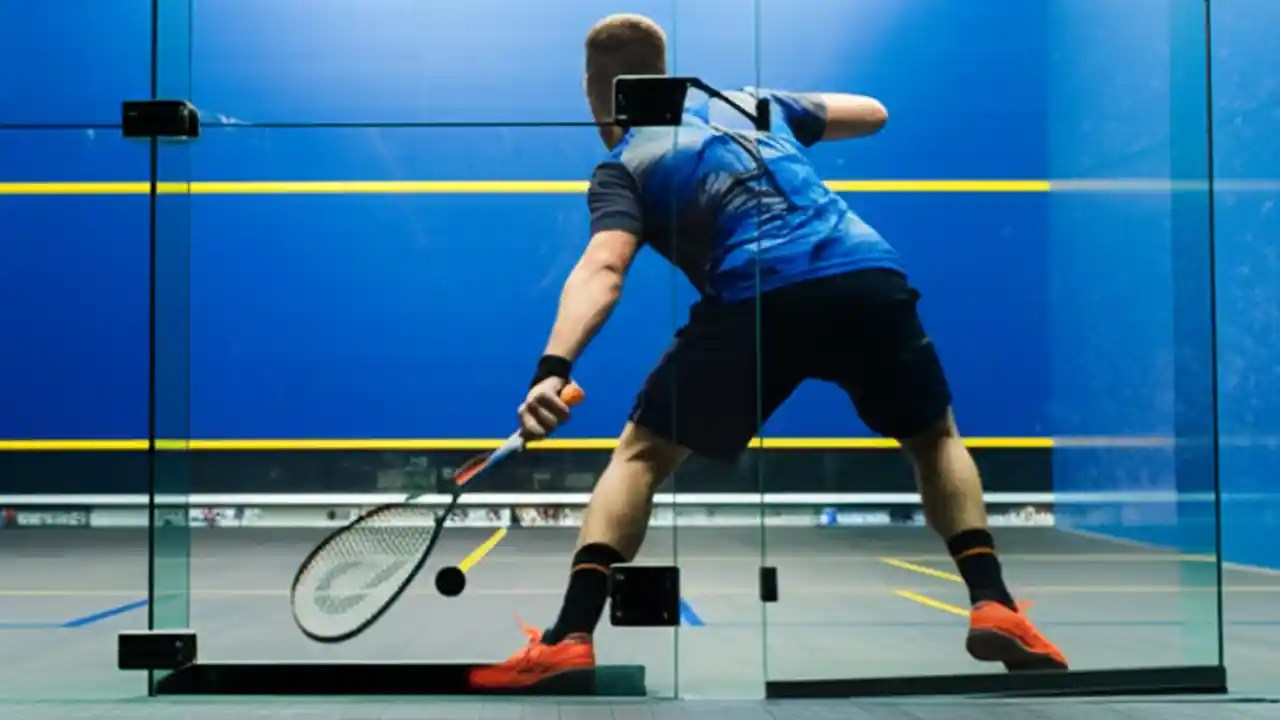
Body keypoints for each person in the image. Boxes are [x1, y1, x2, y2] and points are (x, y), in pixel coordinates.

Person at [469, 13, 1068, 690]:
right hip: (866, 277)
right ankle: (994, 602)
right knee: (933, 439)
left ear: (594, 94)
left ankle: (568, 638)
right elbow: (873, 113)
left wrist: (554, 369)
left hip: (759, 297)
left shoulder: (623, 167)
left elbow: (605, 268)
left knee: (639, 456)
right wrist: (773, 108)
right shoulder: (750, 102)